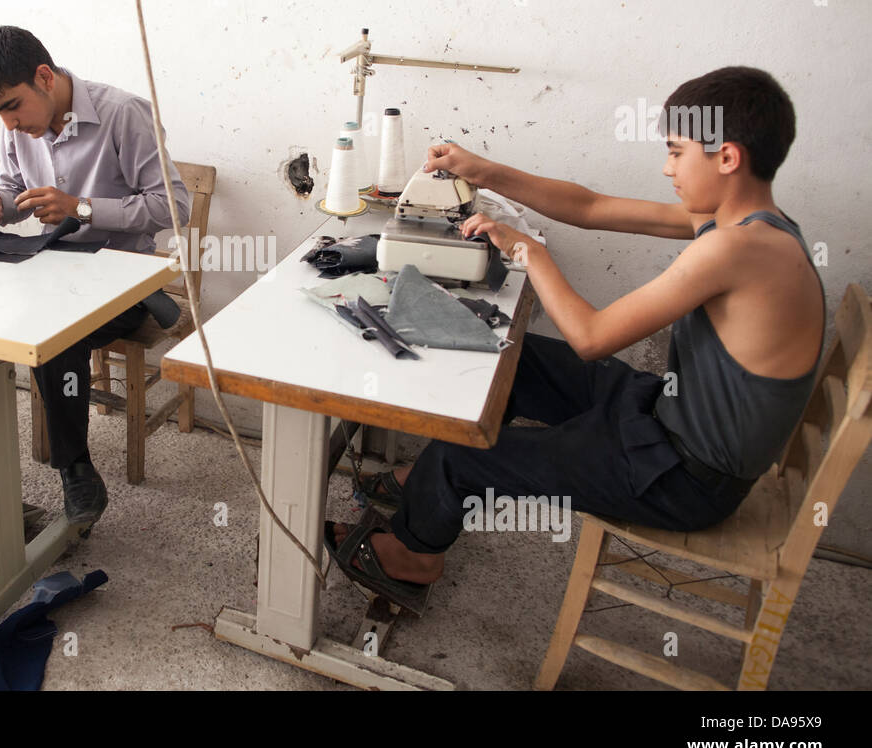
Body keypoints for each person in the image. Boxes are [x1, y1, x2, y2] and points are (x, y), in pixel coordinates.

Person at [326, 66, 825, 608]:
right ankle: (423, 486)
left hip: (681, 477)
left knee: (462, 453)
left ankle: (412, 559)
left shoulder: (736, 249)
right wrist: (484, 171)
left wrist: (527, 251)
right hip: (667, 416)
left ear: (727, 157)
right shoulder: (747, 224)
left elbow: (592, 338)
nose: (667, 167)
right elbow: (591, 208)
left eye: (677, 152)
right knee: (514, 359)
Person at [0, 26, 190, 526]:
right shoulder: (17, 125)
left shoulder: (122, 113)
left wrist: (81, 208)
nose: (8, 122)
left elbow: (173, 208)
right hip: (51, 264)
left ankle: (75, 466)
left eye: (11, 107)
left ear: (45, 77)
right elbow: (15, 190)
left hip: (122, 280)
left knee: (53, 334)